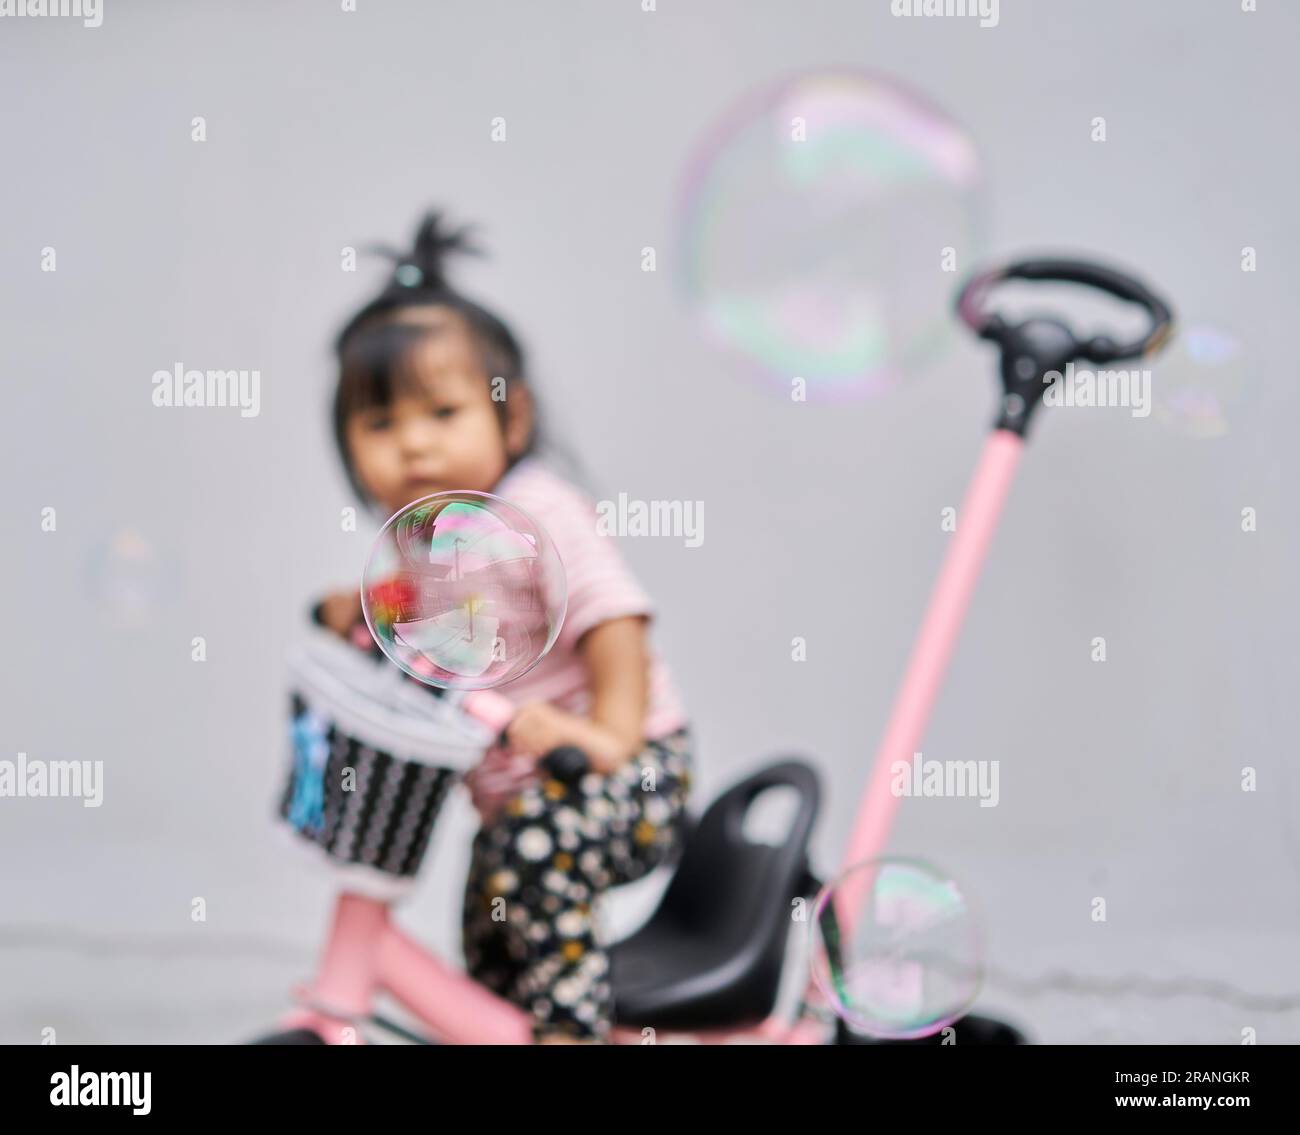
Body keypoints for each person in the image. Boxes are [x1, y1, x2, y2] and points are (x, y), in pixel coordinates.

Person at [308, 211, 692, 1043]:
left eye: (442, 412)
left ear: (511, 419)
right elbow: (425, 635)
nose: (413, 444)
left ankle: (570, 1033)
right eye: (380, 424)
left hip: (633, 769)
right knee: (490, 917)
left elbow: (614, 621)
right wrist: (358, 614)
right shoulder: (415, 543)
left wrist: (608, 735)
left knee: (533, 854)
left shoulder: (541, 510)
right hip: (524, 791)